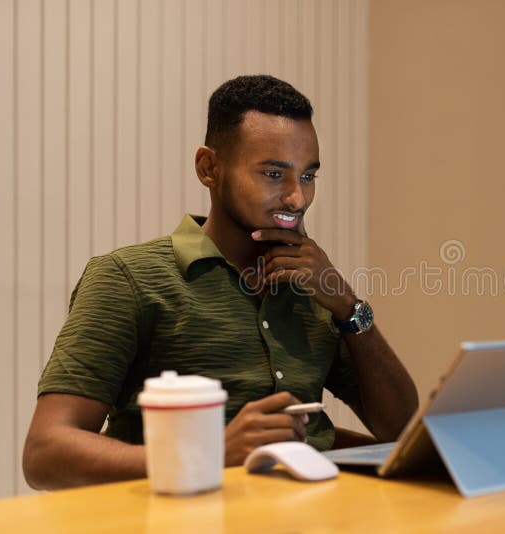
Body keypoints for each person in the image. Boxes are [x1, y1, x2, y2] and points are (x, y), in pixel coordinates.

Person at [22, 75, 418, 491]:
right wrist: (206, 455)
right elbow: (45, 453)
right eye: (272, 173)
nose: (296, 199)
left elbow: (400, 429)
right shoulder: (129, 277)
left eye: (307, 176)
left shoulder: (313, 286)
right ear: (209, 168)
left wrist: (347, 306)